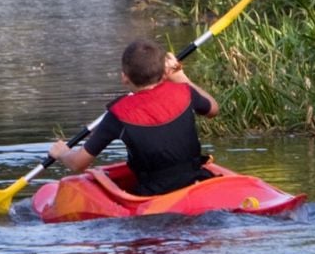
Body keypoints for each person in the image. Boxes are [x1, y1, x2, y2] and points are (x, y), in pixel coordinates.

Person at [47, 38, 220, 196]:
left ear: (124, 77)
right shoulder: (184, 91)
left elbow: (78, 164)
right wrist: (181, 78)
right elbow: (213, 109)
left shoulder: (117, 114)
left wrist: (63, 153)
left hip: (154, 193)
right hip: (197, 181)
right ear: (164, 73)